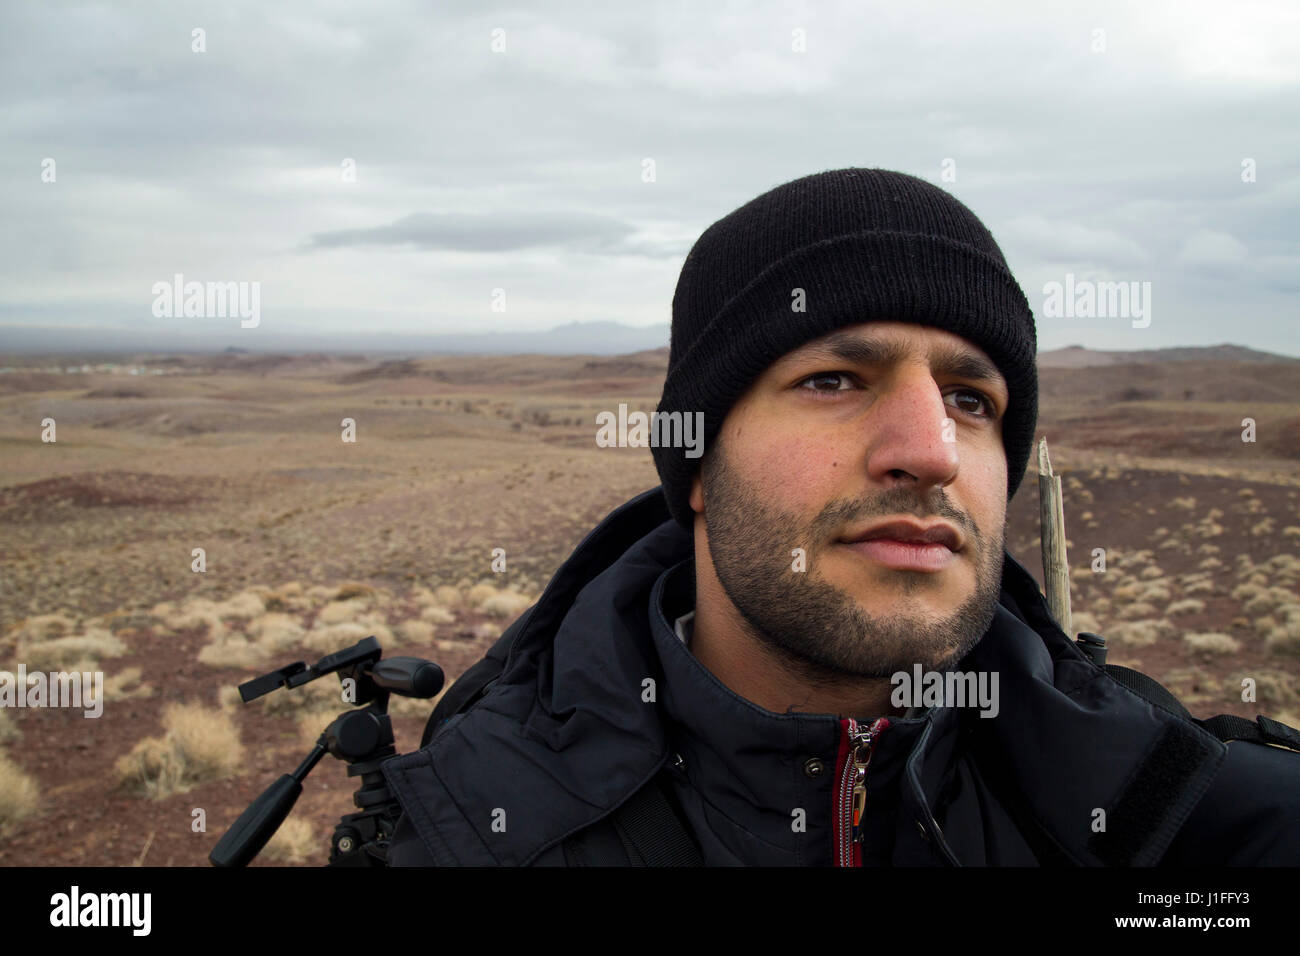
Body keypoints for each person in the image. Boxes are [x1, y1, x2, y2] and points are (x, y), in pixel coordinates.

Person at [380, 168, 1300, 866]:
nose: (931, 451)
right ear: (698, 465)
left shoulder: (1199, 819)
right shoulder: (467, 832)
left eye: (972, 399)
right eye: (832, 380)